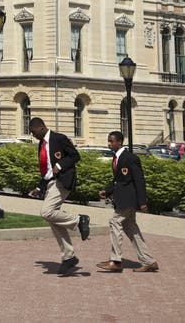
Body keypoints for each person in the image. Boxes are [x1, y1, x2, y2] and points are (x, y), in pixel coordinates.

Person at [28, 116, 89, 275]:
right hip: (50, 183)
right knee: (52, 218)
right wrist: (38, 187)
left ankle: (80, 220)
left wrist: (60, 165)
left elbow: (75, 156)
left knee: (46, 212)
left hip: (62, 181)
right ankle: (69, 257)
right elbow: (47, 170)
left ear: (41, 127)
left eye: (33, 132)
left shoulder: (59, 139)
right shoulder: (41, 144)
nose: (33, 135)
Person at [97, 130, 158, 273]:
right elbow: (119, 181)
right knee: (131, 229)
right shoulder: (116, 158)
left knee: (115, 222)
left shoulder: (130, 158)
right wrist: (107, 191)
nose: (109, 144)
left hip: (129, 200)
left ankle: (116, 260)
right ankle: (149, 261)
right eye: (109, 141)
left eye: (111, 141)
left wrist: (142, 202)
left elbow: (139, 180)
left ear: (120, 142)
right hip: (122, 199)